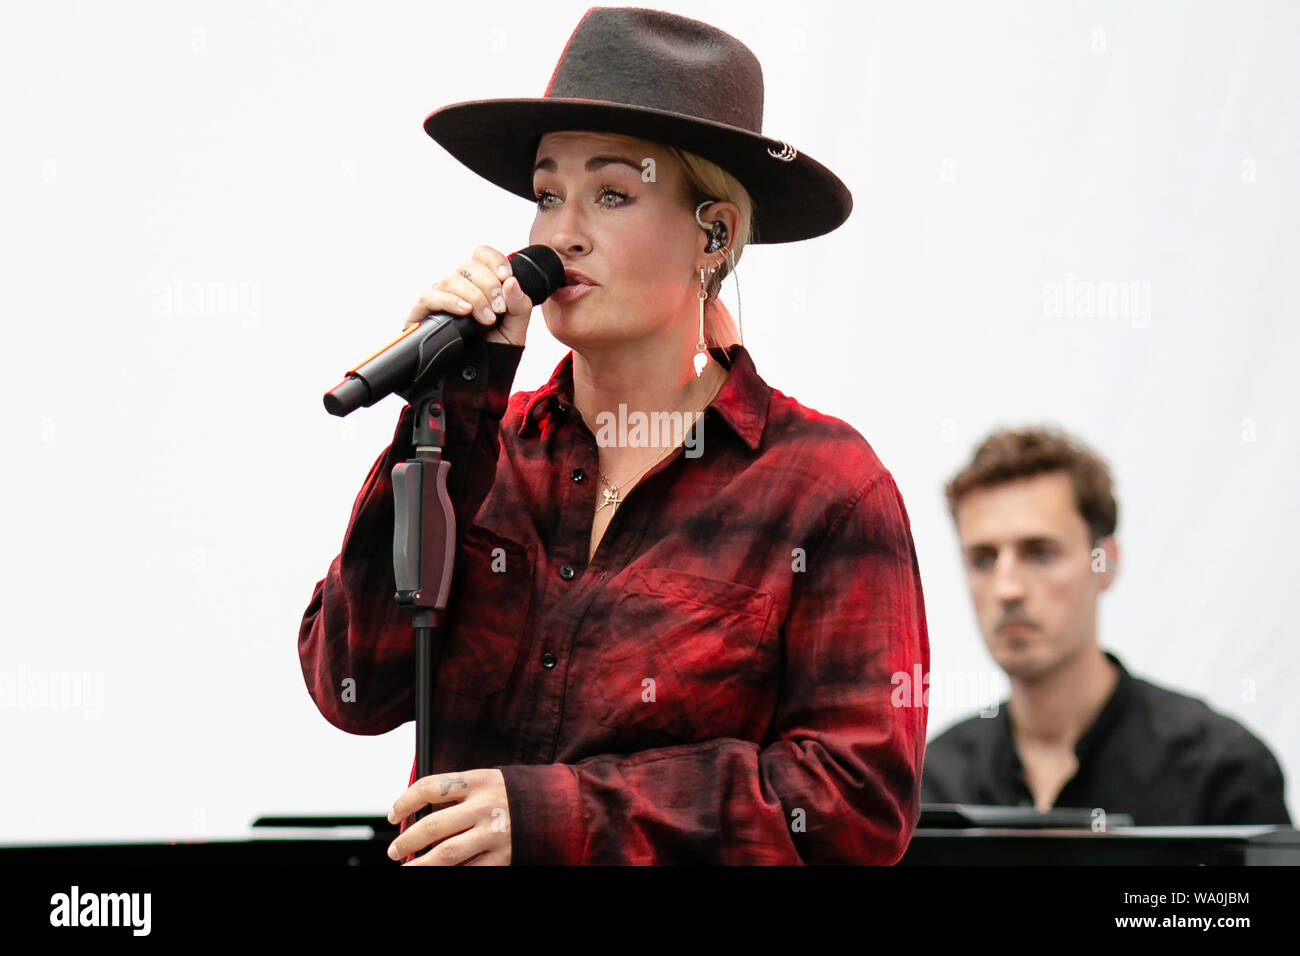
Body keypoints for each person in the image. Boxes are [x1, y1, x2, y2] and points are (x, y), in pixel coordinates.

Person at [299, 6, 930, 865]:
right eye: (547, 194)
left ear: (715, 236)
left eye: (611, 194)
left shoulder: (824, 486)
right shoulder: (482, 450)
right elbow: (353, 683)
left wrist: (563, 819)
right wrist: (440, 418)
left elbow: (854, 804)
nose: (559, 234)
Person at [921, 426, 1291, 825]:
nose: (1007, 588)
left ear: (1106, 563)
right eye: (982, 559)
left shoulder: (1221, 774)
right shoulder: (929, 786)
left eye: (1041, 553)